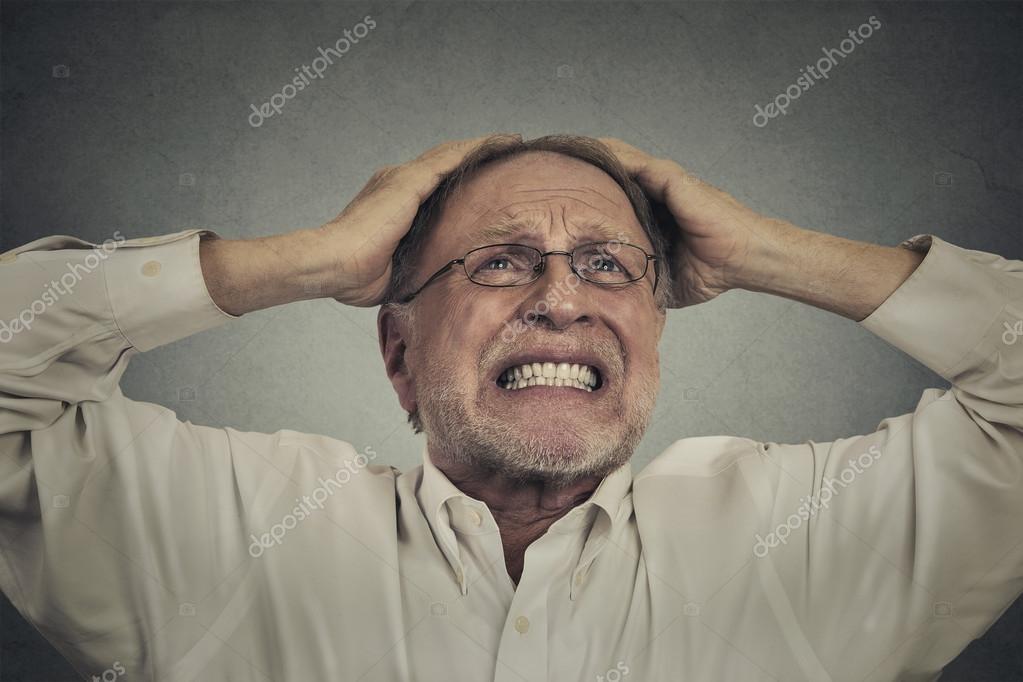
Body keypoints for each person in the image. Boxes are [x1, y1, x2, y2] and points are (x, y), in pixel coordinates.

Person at [0, 133, 1019, 681]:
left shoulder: (800, 545)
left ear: (654, 343)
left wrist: (764, 250)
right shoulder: (232, 532)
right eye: (500, 263)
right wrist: (307, 259)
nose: (563, 297)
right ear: (400, 357)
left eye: (609, 267)